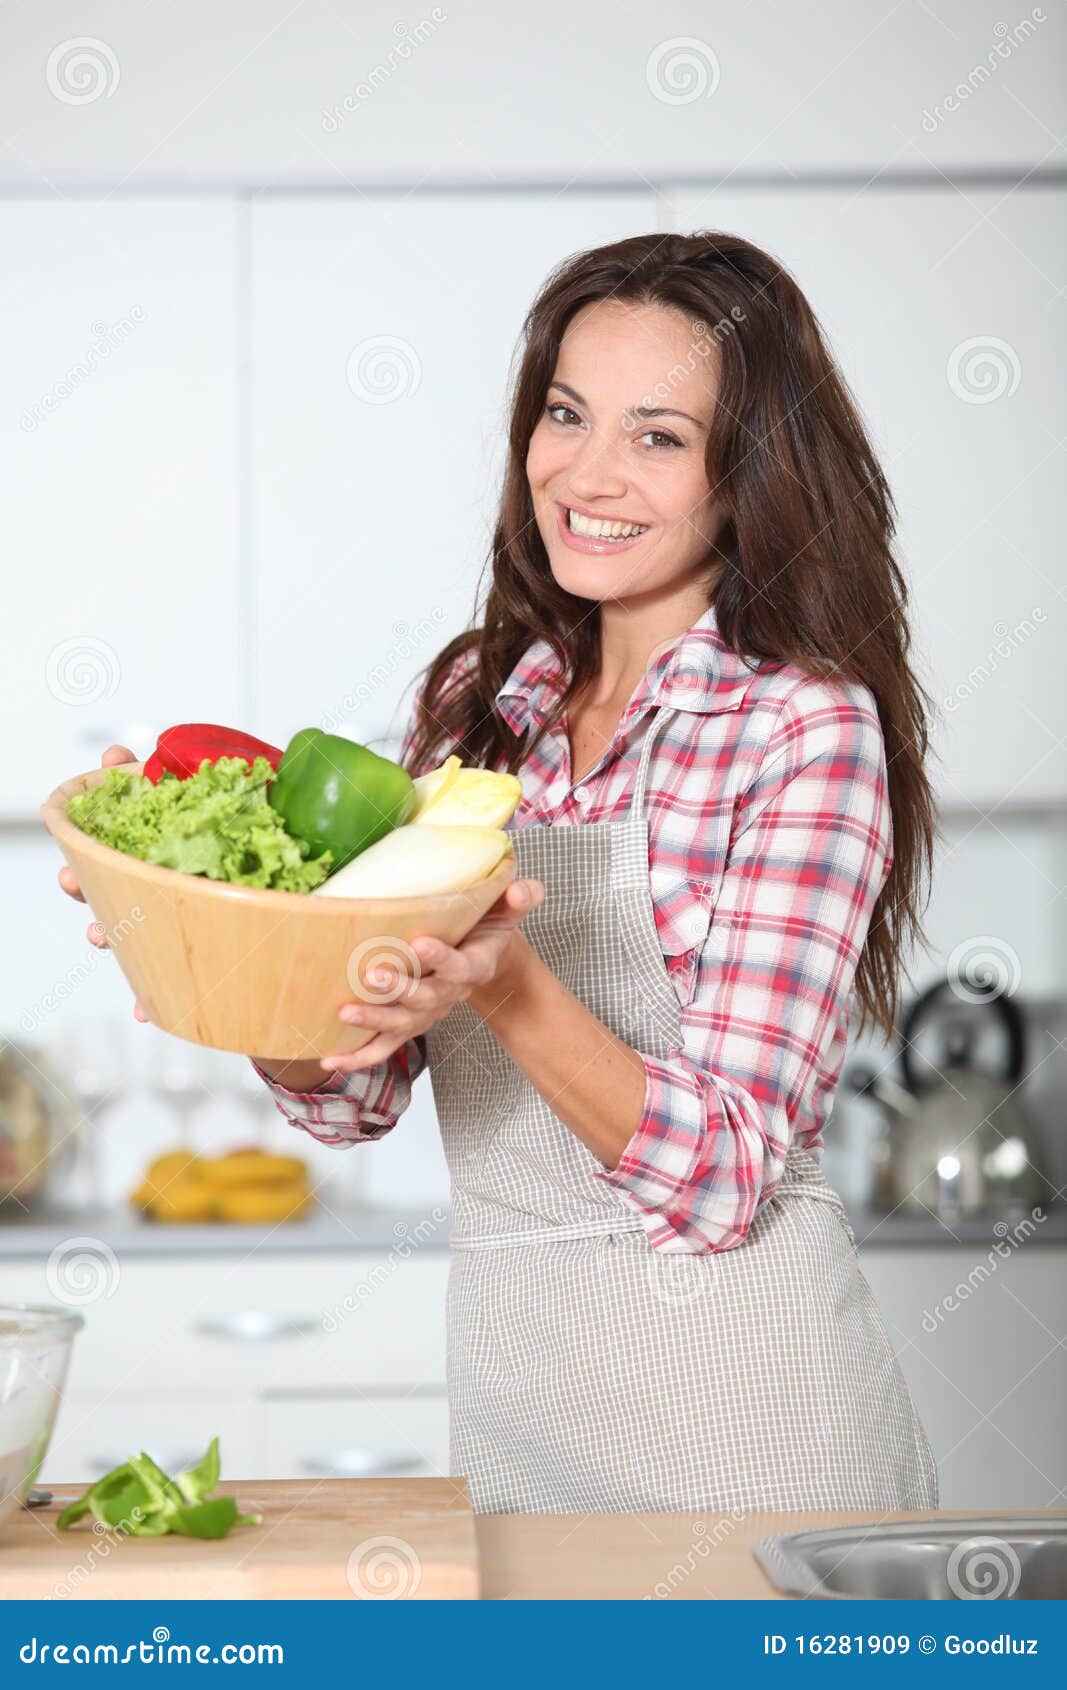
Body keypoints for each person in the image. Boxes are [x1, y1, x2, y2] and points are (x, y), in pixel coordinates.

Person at [65, 231, 938, 1516]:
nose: (585, 472)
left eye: (657, 436)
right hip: (515, 1401)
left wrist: (508, 980)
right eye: (565, 414)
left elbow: (729, 1172)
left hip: (744, 1419)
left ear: (744, 472)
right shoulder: (482, 704)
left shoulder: (801, 728)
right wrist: (211, 941)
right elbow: (351, 1091)